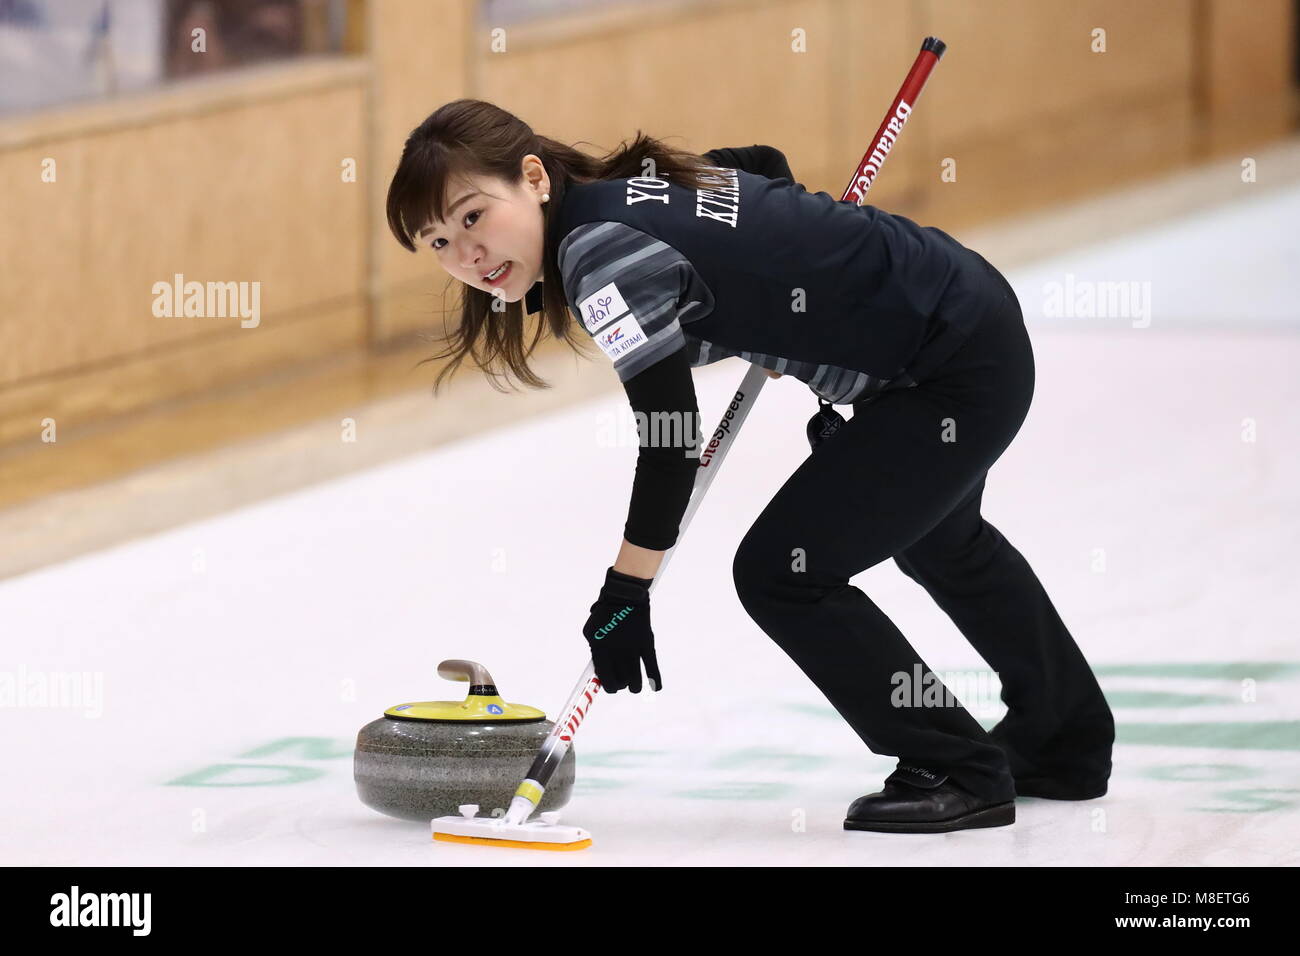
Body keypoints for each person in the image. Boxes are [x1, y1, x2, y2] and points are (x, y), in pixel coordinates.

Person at [385, 98, 1115, 834]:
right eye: (439, 242)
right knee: (943, 542)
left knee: (784, 572)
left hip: (948, 371)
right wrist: (792, 271)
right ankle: (1064, 740)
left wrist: (624, 592)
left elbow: (670, 437)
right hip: (965, 317)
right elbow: (763, 165)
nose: (467, 257)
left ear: (533, 177)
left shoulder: (598, 255)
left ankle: (959, 768)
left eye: (473, 217)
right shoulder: (631, 184)